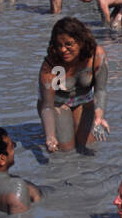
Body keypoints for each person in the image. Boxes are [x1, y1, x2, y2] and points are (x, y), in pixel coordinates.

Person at [37, 17, 109, 153]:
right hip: (57, 104)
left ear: (81, 41)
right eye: (59, 45)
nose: (63, 50)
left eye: (69, 44)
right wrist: (50, 136)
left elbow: (100, 90)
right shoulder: (50, 65)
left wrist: (100, 117)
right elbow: (47, 106)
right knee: (66, 151)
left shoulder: (97, 55)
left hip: (84, 101)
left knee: (87, 146)